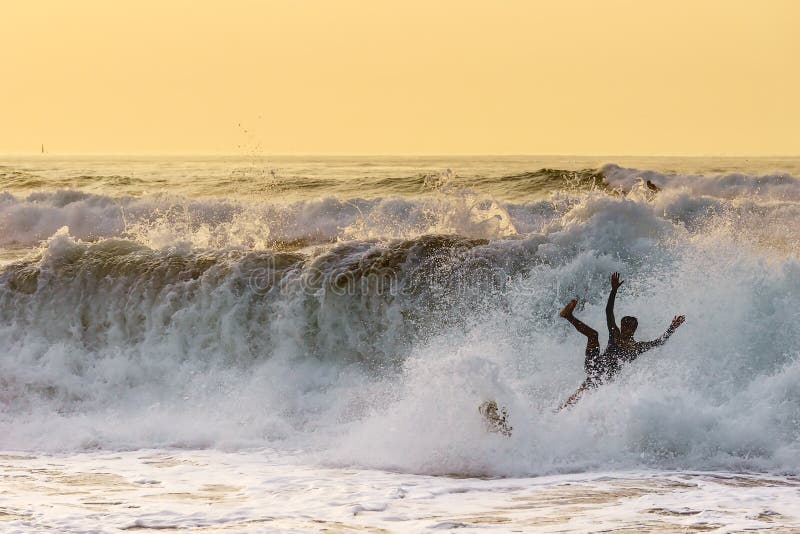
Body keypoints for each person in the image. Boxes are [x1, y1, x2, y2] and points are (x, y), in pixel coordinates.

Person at [557, 272, 684, 410]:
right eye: (622, 326)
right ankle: (568, 316)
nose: (623, 330)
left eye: (627, 328)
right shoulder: (615, 334)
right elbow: (608, 312)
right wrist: (614, 291)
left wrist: (671, 328)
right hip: (595, 364)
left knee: (582, 393)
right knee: (593, 335)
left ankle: (560, 411)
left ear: (633, 330)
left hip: (605, 375)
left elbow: (659, 342)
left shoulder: (636, 347)